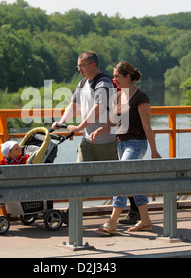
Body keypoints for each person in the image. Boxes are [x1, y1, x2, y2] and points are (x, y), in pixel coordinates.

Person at [91, 61, 161, 234]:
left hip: (137, 144)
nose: (114, 80)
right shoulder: (118, 97)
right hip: (121, 144)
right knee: (132, 182)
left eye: (117, 76)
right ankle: (145, 220)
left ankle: (112, 221)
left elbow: (147, 127)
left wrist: (154, 151)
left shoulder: (140, 98)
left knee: (121, 176)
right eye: (113, 76)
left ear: (127, 77)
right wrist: (100, 130)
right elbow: (112, 123)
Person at [51, 51, 118, 162]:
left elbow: (98, 109)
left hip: (105, 142)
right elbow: (73, 105)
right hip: (87, 140)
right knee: (81, 174)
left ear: (93, 65)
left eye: (81, 65)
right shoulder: (82, 83)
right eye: (78, 65)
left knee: (105, 177)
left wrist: (79, 127)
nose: (78, 69)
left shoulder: (104, 83)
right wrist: (61, 122)